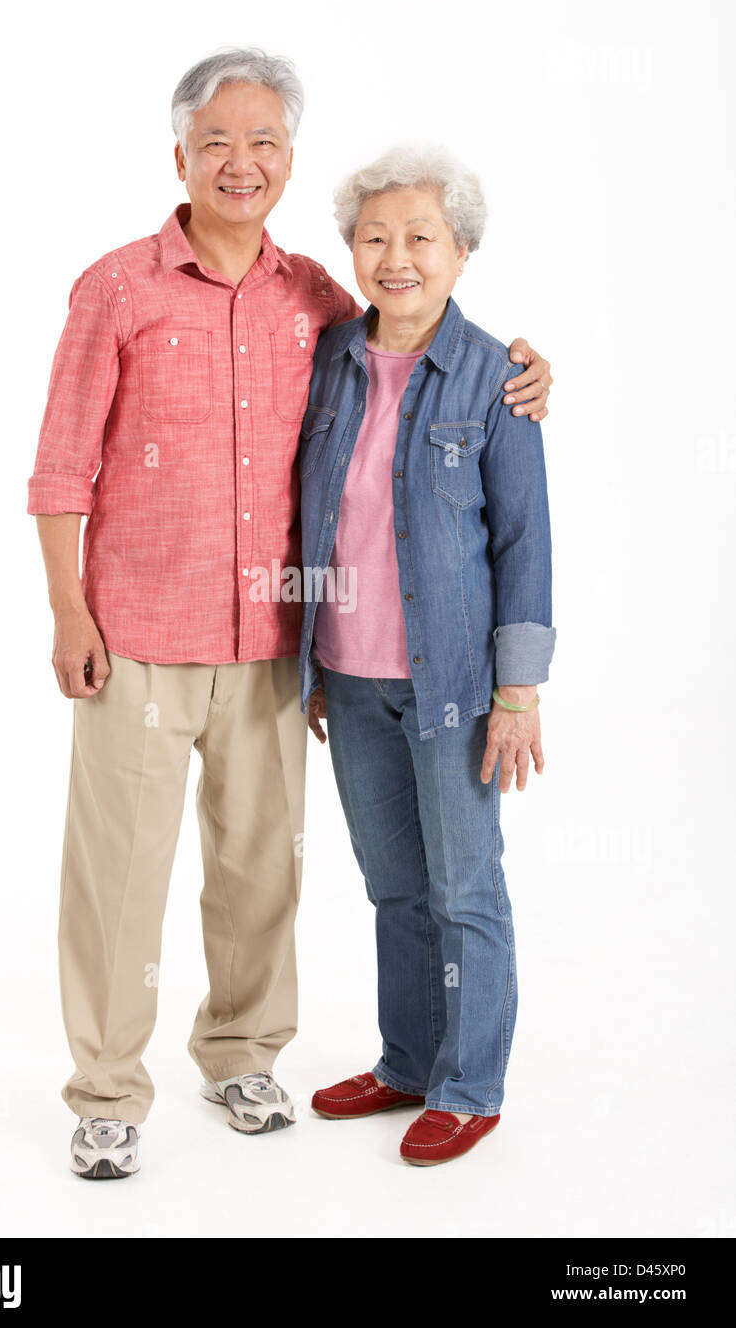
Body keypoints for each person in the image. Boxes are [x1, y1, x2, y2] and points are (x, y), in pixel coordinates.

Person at [28, 48, 555, 1178]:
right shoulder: (120, 287)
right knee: (121, 873)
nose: (239, 160)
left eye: (262, 141)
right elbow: (60, 465)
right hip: (141, 642)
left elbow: (444, 398)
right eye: (217, 140)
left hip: (278, 643)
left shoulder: (313, 295)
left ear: (287, 160)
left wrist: (520, 367)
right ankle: (109, 1091)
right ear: (179, 154)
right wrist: (68, 609)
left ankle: (241, 1052)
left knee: (264, 868)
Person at [300, 145, 555, 1166]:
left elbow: (523, 542)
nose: (393, 256)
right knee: (392, 887)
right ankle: (406, 1059)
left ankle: (468, 1084)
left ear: (459, 251)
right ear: (350, 250)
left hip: (454, 688)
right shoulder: (327, 360)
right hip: (347, 680)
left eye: (418, 237)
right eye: (373, 236)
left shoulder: (499, 378)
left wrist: (517, 691)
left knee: (463, 885)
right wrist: (313, 665)